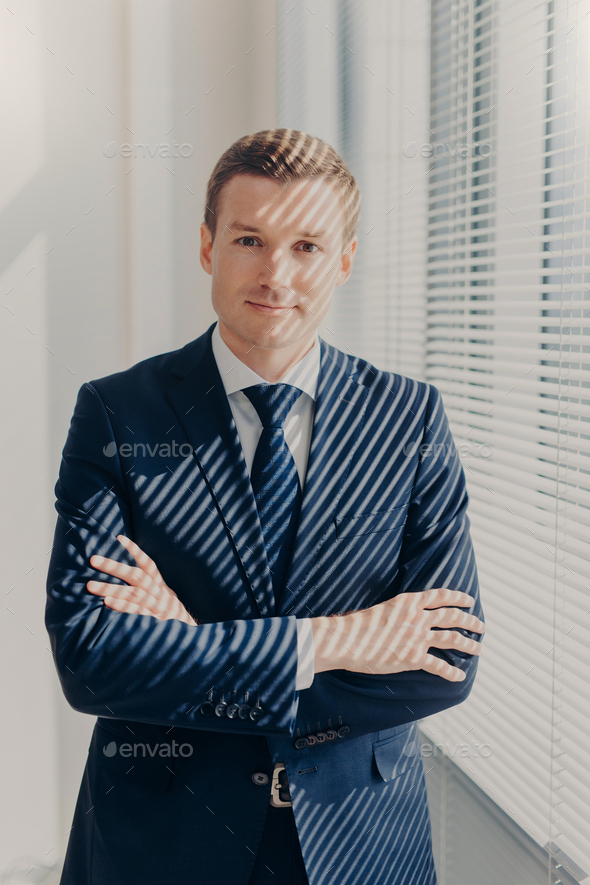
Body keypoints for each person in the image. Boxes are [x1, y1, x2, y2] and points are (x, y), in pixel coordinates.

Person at [45, 128, 485, 885]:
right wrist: (330, 641)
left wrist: (197, 644)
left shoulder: (410, 419)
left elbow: (442, 658)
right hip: (161, 842)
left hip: (361, 846)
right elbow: (93, 659)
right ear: (209, 246)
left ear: (345, 259)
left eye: (307, 246)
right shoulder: (120, 414)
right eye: (250, 238)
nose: (275, 273)